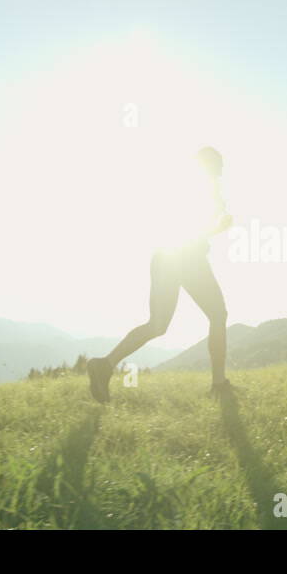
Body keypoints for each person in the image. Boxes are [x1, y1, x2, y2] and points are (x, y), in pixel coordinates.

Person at [87, 146, 233, 403]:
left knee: (157, 325)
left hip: (165, 257)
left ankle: (105, 365)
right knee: (218, 314)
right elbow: (192, 231)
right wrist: (219, 226)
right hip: (185, 258)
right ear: (208, 165)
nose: (222, 169)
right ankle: (219, 384)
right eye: (218, 164)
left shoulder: (189, 188)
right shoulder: (203, 191)